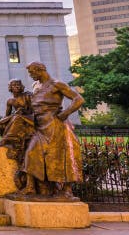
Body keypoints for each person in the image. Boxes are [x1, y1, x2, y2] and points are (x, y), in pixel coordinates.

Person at [20, 61, 84, 198]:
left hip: (54, 124)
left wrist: (65, 113)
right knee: (31, 152)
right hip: (39, 124)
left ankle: (67, 189)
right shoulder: (36, 86)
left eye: (32, 72)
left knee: (61, 156)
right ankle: (30, 187)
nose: (30, 75)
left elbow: (78, 99)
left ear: (40, 70)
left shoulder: (56, 84)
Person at [0, 79, 35, 188]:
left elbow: (35, 110)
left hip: (30, 119)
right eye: (14, 85)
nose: (16, 86)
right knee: (3, 123)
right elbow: (7, 115)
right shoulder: (10, 101)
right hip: (17, 118)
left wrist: (24, 112)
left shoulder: (28, 96)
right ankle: (7, 139)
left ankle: (5, 140)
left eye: (18, 84)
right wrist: (0, 122)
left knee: (17, 118)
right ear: (10, 87)